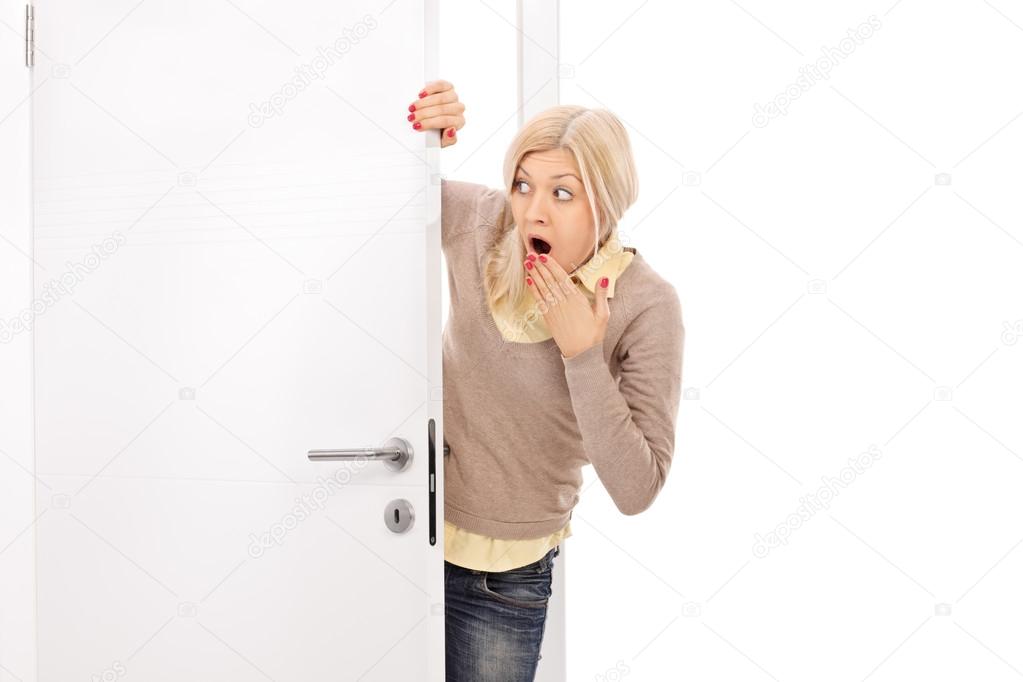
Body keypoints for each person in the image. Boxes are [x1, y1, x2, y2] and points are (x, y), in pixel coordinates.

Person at [408, 80, 685, 682]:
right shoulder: (480, 224)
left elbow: (638, 489)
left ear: (606, 204)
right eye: (523, 185)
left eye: (563, 193)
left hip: (504, 577)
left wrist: (582, 353)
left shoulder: (646, 304)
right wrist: (427, 136)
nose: (533, 210)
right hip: (405, 536)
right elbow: (369, 177)